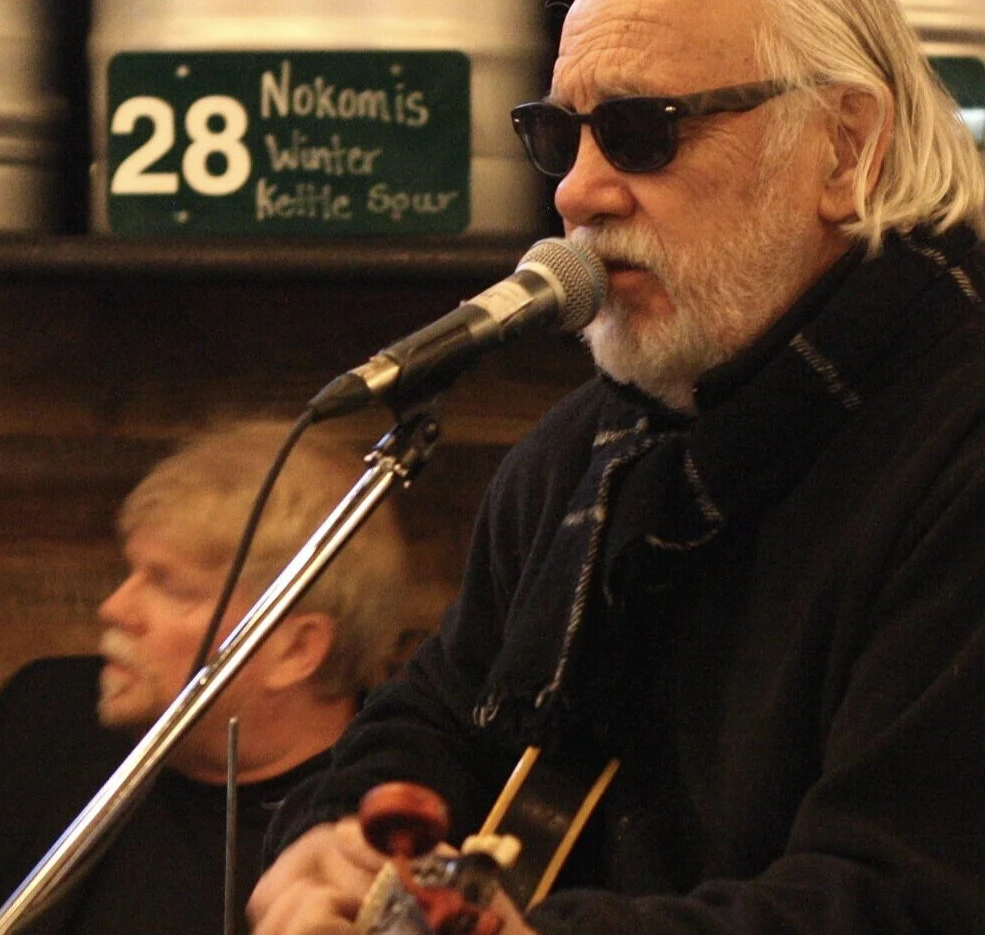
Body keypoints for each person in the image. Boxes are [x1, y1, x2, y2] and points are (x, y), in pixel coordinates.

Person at [248, 1, 985, 934]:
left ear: (845, 149)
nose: (575, 192)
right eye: (558, 134)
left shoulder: (955, 451)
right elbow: (437, 713)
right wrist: (341, 836)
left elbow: (908, 897)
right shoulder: (589, 453)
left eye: (643, 132)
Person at [0, 420, 425, 935]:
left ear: (297, 649)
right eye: (132, 571)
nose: (115, 608)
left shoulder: (379, 835)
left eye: (168, 586)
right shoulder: (47, 718)